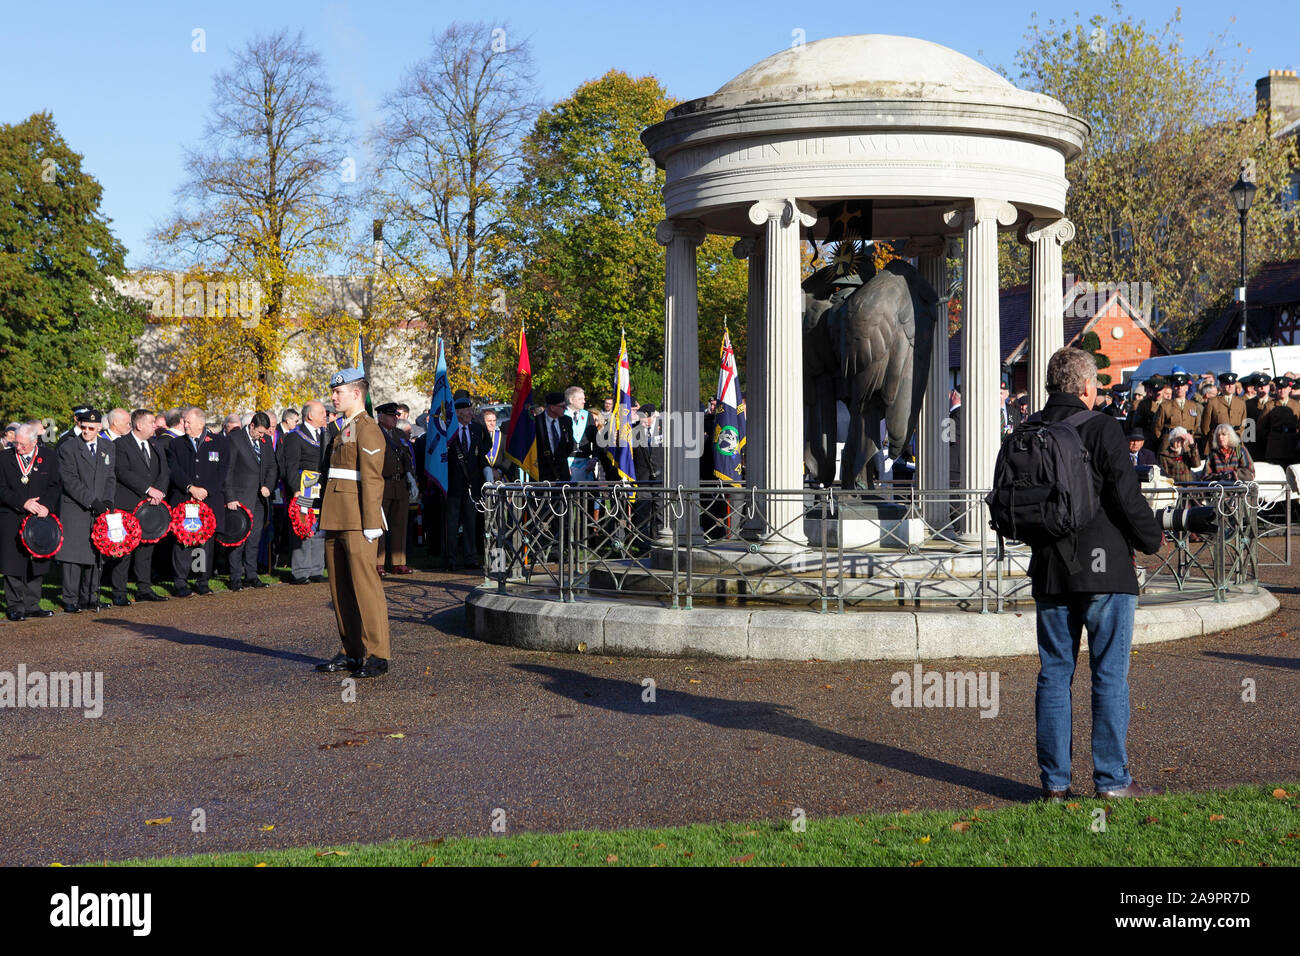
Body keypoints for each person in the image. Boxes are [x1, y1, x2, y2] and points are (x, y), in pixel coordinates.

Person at [1030, 347, 1164, 801]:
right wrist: (1152, 538)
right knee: (1108, 675)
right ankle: (1111, 781)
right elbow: (1128, 499)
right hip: (1105, 568)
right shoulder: (1103, 426)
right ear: (1087, 387)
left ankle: (1054, 784)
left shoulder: (1029, 429)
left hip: (1051, 569)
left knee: (1054, 674)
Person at [315, 367, 390, 679]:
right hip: (336, 514)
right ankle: (352, 650)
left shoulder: (368, 428)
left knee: (365, 587)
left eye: (338, 392)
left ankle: (377, 654)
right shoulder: (343, 427)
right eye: (334, 392)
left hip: (358, 518)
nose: (333, 397)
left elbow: (372, 480)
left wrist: (372, 522)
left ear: (356, 394)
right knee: (340, 588)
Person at [57, 407, 118, 613]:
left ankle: (90, 595)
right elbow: (70, 481)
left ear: (99, 428)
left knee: (95, 552)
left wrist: (108, 500)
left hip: (100, 508)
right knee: (73, 556)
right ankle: (70, 598)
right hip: (76, 507)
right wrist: (93, 501)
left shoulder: (108, 447)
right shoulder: (69, 447)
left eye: (91, 428)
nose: (86, 431)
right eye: (83, 427)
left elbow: (110, 476)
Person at [109, 408, 171, 604]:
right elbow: (122, 471)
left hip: (151, 505)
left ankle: (144, 588)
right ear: (139, 425)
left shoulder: (155, 444)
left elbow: (164, 471)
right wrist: (147, 489)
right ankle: (119, 592)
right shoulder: (121, 444)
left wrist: (158, 492)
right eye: (152, 422)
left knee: (146, 549)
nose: (156, 426)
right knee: (125, 549)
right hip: (128, 504)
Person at [0, 424, 61, 620]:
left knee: (38, 560)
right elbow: (1, 489)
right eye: (16, 443)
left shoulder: (49, 457)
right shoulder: (4, 458)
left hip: (39, 517)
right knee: (13, 562)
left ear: (35, 442)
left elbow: (55, 485)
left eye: (23, 445)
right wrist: (22, 503)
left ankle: (32, 604)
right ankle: (15, 606)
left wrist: (47, 506)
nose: (18, 447)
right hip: (12, 515)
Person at [167, 406, 228, 597]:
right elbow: (174, 469)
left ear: (200, 423)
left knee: (203, 543)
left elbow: (222, 471)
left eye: (188, 422)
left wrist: (206, 490)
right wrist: (190, 488)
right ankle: (181, 582)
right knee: (183, 542)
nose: (184, 425)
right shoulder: (176, 444)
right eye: (184, 422)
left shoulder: (219, 443)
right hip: (185, 500)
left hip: (208, 501)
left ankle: (202, 580)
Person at [222, 410, 277, 590]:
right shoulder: (235, 439)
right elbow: (227, 470)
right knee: (239, 538)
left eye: (264, 433)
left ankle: (251, 575)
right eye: (260, 432)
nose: (262, 436)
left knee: (254, 538)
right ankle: (235, 577)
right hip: (240, 497)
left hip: (260, 498)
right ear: (251, 426)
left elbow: (271, 466)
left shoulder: (266, 440)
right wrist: (230, 497)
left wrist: (268, 486)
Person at [280, 399, 328, 585]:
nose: (326, 416)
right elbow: (290, 467)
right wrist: (295, 490)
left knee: (319, 529)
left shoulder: (324, 435)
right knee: (303, 528)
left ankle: (316, 569)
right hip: (304, 490)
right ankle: (300, 571)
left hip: (321, 489)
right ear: (310, 415)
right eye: (322, 412)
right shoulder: (295, 436)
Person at [445, 397, 488, 571]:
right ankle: (451, 559)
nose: (471, 413)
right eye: (467, 411)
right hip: (453, 485)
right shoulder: (449, 430)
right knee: (452, 524)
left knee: (471, 523)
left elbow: (484, 448)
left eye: (471, 410)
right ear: (458, 413)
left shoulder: (476, 429)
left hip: (472, 484)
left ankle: (470, 557)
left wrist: (485, 470)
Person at [374, 402, 415, 575]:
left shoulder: (399, 434)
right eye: (391, 416)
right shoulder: (375, 433)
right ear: (381, 417)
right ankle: (378, 563)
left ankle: (399, 562)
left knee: (400, 524)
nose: (395, 419)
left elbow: (407, 456)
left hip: (400, 483)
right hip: (383, 483)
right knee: (379, 525)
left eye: (396, 416)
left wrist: (411, 476)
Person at [1257, 375, 1300, 467]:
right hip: (1275, 448)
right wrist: (1272, 436)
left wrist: (1295, 435)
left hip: (1292, 446)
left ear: (1289, 389)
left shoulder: (1297, 405)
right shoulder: (1269, 406)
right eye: (1280, 388)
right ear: (1276, 389)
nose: (1282, 391)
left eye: (1284, 388)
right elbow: (1261, 427)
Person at [1152, 369, 1199, 451]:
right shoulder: (1165, 406)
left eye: (1182, 386)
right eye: (1176, 386)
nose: (1179, 388)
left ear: (1186, 388)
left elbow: (1195, 426)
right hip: (1169, 446)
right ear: (1173, 388)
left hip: (1187, 445)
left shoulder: (1193, 405)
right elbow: (1157, 428)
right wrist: (1165, 440)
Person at [535, 391, 574, 482]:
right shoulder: (536, 422)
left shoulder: (566, 421)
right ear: (552, 407)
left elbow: (570, 445)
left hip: (562, 471)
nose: (565, 409)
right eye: (562, 407)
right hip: (542, 472)